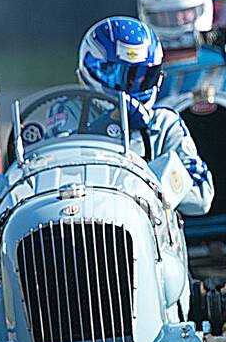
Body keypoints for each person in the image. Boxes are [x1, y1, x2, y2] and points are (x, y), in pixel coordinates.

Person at [75, 16, 215, 216]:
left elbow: (202, 197)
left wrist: (150, 177)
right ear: (95, 71)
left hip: (149, 237)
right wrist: (107, 123)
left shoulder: (164, 125)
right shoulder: (70, 114)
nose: (133, 86)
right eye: (122, 75)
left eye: (143, 76)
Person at [136, 0, 217, 64]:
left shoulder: (225, 53)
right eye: (166, 16)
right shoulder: (141, 71)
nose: (178, 21)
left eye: (185, 14)